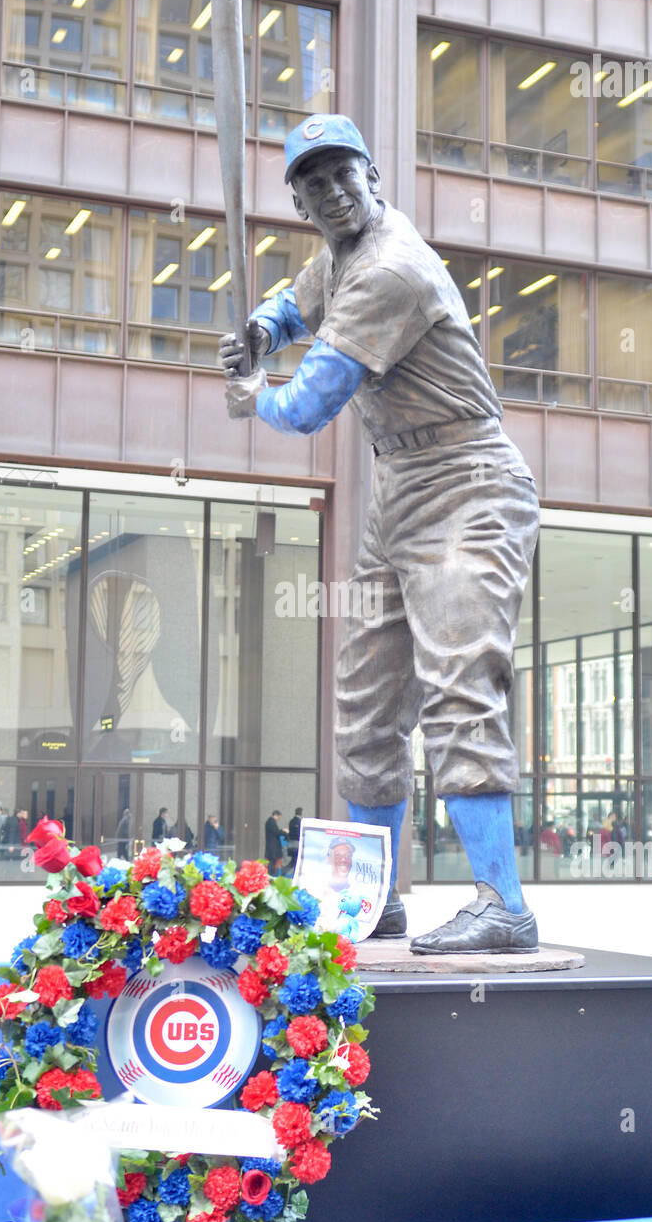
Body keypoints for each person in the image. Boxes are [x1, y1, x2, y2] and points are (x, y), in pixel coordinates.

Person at [220, 114, 539, 955]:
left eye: (342, 175)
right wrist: (260, 328)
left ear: (372, 178)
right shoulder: (338, 259)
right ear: (300, 201)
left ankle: (501, 903)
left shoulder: (390, 268)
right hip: (397, 489)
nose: (331, 192)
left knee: (459, 685)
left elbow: (309, 403)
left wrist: (255, 392)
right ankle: (372, 897)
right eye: (312, 184)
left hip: (468, 482)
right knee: (365, 700)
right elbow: (293, 304)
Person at [265, 810, 286, 876]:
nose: (278, 819)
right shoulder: (271, 822)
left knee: (272, 862)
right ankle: (271, 876)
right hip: (273, 847)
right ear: (276, 815)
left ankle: (271, 875)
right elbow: (276, 832)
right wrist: (283, 831)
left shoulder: (269, 821)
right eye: (279, 817)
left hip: (271, 846)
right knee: (272, 863)